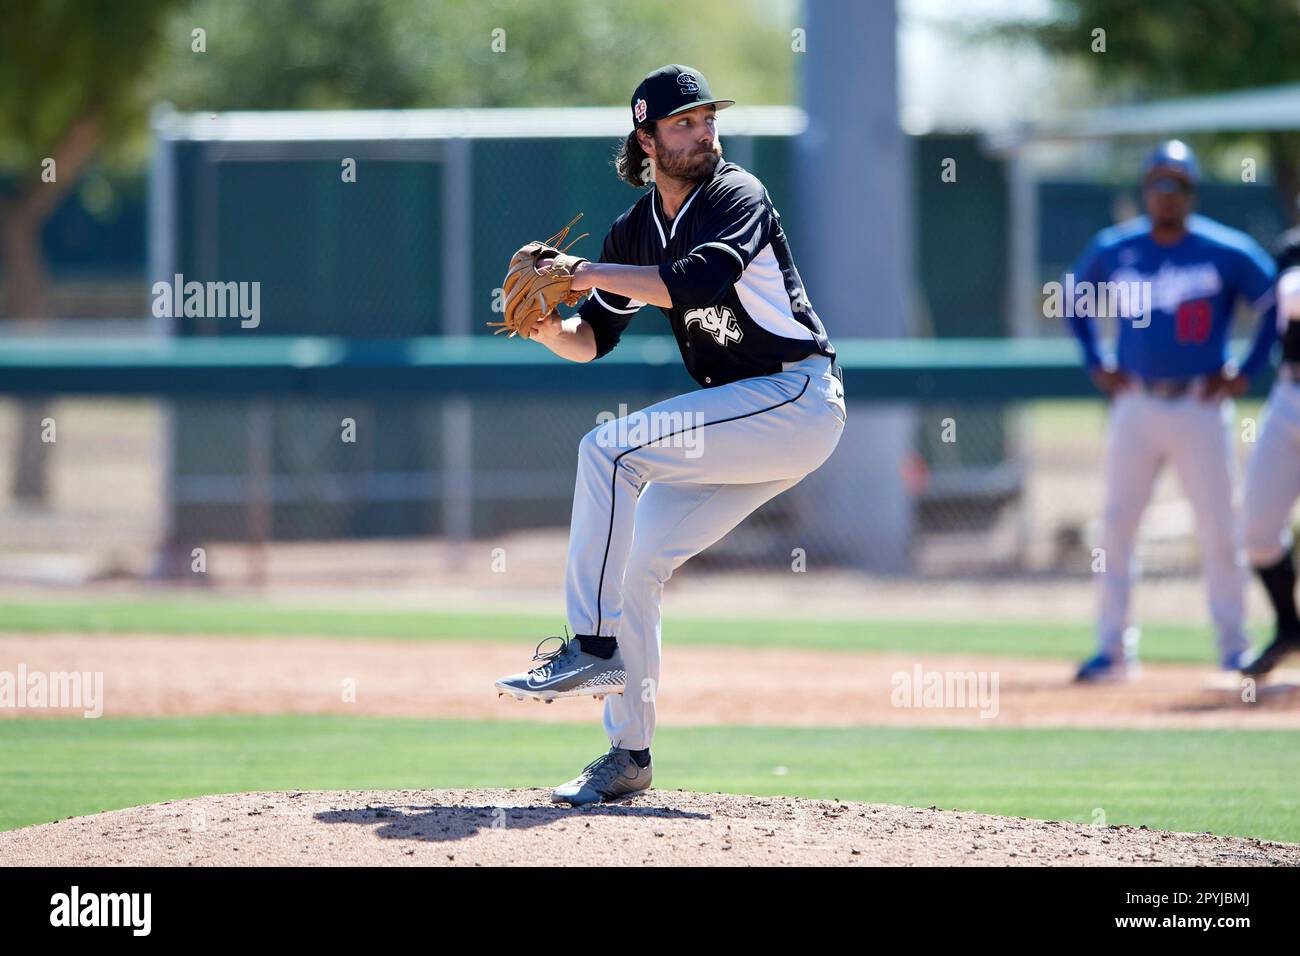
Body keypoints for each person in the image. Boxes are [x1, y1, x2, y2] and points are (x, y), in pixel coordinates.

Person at [493, 65, 846, 803]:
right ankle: (629, 756)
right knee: (635, 564)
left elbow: (696, 283)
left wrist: (584, 268)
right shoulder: (635, 228)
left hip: (795, 395)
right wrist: (542, 329)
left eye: (708, 118)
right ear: (646, 137)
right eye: (684, 122)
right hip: (748, 414)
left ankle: (589, 648)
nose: (703, 131)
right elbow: (590, 339)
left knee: (608, 449)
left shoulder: (736, 194)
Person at [1068, 140, 1277, 682]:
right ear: (1144, 190)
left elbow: (1278, 302)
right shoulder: (1117, 248)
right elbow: (1075, 297)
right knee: (1116, 525)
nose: (1166, 193)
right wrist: (1096, 359)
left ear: (1192, 192)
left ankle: (1235, 648)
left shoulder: (1223, 249)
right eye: (1157, 182)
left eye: (1177, 184)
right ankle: (1113, 650)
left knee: (1219, 529)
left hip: (1199, 404)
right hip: (1136, 401)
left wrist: (1247, 368)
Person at [1240, 227, 1300, 676]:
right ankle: (1288, 628)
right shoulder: (1290, 247)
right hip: (1289, 394)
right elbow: (1283, 304)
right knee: (1258, 527)